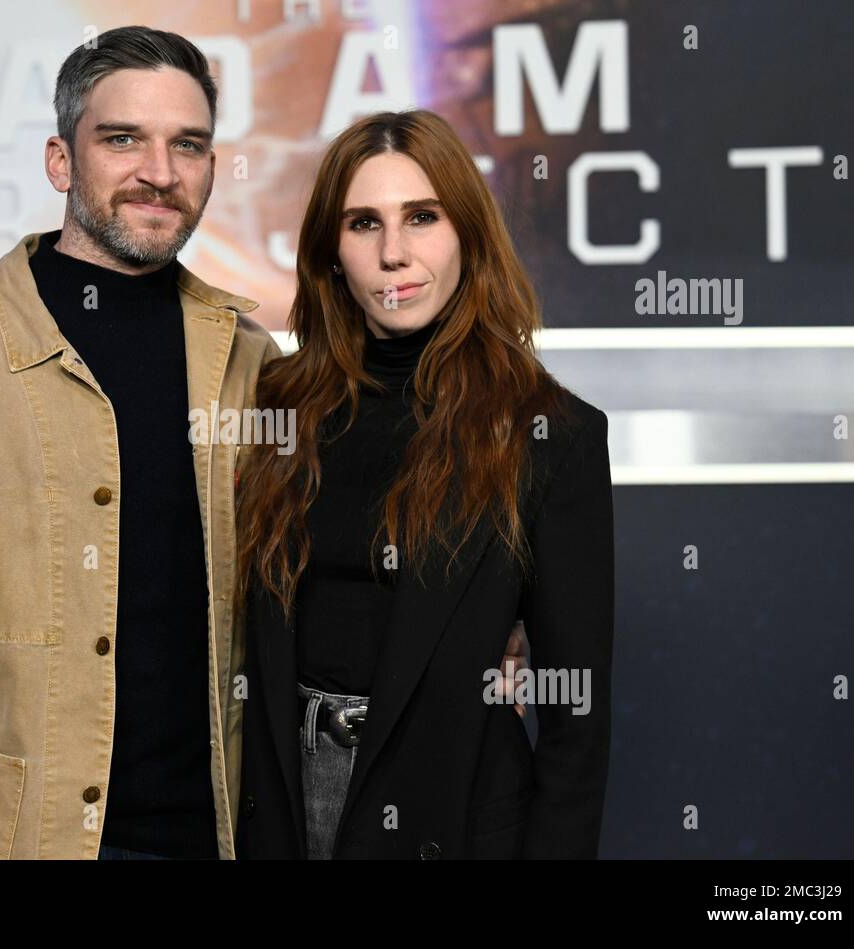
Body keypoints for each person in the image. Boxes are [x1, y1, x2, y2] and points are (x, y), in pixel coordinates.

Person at [0, 25, 528, 861]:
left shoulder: (252, 365)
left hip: (218, 835)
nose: (159, 171)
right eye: (122, 139)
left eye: (186, 145)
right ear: (60, 160)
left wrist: (490, 625)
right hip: (5, 839)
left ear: (212, 169)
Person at [234, 110, 615, 859]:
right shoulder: (271, 407)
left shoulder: (551, 433)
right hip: (273, 806)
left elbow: (577, 723)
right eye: (362, 223)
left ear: (467, 232)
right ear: (330, 252)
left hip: (452, 814)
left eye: (422, 217)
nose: (394, 253)